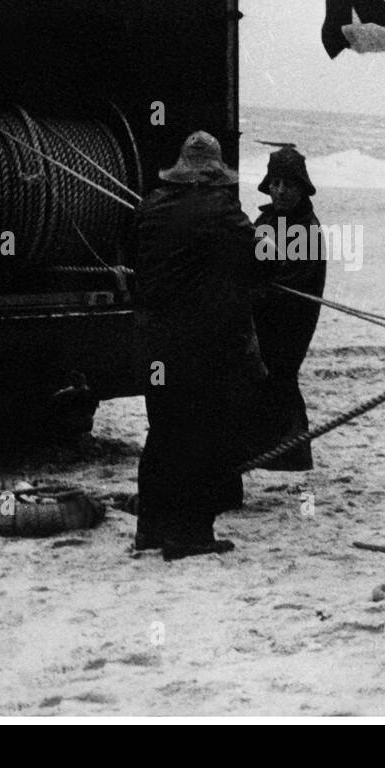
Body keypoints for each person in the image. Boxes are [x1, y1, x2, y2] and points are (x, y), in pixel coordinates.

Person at [131, 131, 266, 560]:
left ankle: (150, 528)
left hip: (154, 343)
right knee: (201, 434)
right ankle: (189, 534)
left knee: (163, 431)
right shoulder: (222, 209)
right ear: (213, 172)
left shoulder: (150, 205)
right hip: (201, 344)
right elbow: (255, 256)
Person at [251, 146, 327, 471]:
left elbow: (290, 284)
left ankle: (296, 454)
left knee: (282, 374)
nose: (280, 191)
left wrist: (250, 291)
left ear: (301, 188)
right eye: (276, 183)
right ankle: (275, 452)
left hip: (292, 317)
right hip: (264, 313)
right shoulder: (266, 220)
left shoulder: (306, 228)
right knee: (264, 379)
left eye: (289, 185)